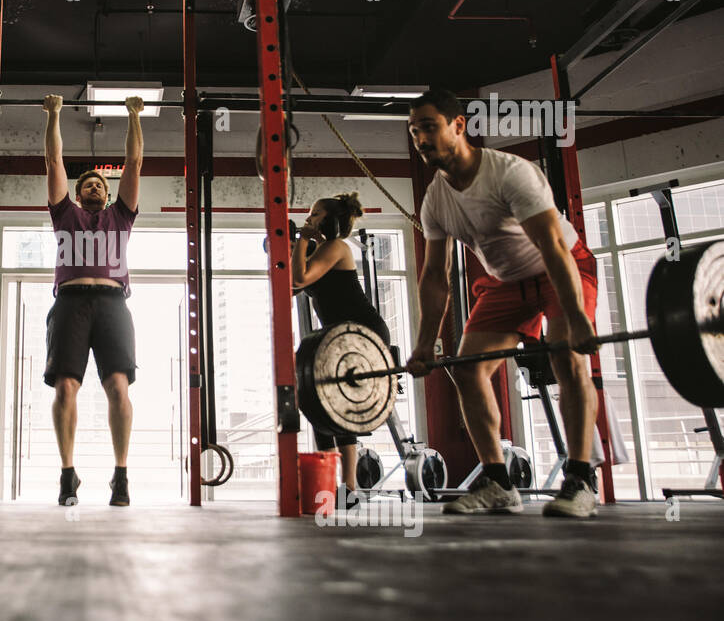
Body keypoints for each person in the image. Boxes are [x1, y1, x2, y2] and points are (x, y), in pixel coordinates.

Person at [405, 87, 600, 518]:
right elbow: (435, 278)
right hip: (506, 283)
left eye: (430, 127)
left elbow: (552, 247)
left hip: (560, 267)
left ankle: (581, 478)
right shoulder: (435, 199)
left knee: (567, 355)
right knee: (467, 370)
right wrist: (424, 345)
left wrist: (574, 318)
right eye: (414, 131)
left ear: (459, 126)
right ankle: (498, 483)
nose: (421, 138)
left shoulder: (511, 173)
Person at [256, 127, 388, 503]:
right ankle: (330, 484)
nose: (309, 218)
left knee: (338, 403)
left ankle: (351, 487)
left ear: (329, 223)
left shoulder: (337, 247)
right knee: (316, 400)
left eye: (315, 214)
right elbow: (291, 284)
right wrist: (291, 242)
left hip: (361, 333)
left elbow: (300, 276)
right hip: (334, 334)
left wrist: (300, 239)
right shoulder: (318, 249)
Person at [42, 93, 142, 507]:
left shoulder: (121, 215)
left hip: (113, 304)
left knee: (118, 386)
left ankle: (120, 476)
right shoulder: (65, 213)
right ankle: (68, 474)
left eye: (101, 183)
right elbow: (54, 163)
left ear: (108, 192)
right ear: (79, 193)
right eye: (88, 184)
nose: (95, 187)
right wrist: (54, 115)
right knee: (66, 387)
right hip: (70, 303)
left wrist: (134, 115)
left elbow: (134, 163)